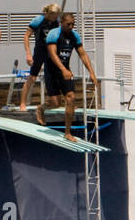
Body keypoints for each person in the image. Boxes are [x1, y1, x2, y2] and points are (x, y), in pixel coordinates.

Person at [39, 12, 100, 142]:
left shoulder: (74, 36)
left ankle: (67, 132)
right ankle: (41, 108)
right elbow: (52, 55)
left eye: (73, 24)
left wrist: (92, 73)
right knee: (55, 103)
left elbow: (83, 55)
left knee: (71, 98)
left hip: (65, 71)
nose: (71, 26)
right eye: (68, 24)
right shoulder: (54, 34)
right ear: (62, 23)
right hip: (52, 71)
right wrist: (63, 69)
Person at [20, 3, 61, 112]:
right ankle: (22, 103)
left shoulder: (56, 22)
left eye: (57, 15)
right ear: (49, 13)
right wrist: (28, 53)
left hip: (51, 52)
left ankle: (52, 101)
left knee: (52, 77)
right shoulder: (38, 20)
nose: (56, 17)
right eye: (55, 15)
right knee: (32, 77)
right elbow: (26, 36)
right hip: (40, 51)